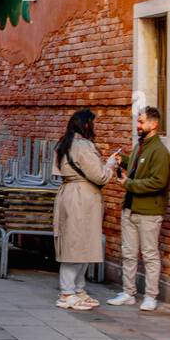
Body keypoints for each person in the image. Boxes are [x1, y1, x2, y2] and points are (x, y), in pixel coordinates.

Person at [107, 106, 170, 312]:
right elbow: (138, 167)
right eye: (138, 121)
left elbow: (158, 182)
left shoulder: (160, 151)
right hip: (130, 209)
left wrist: (128, 184)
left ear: (154, 124)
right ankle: (128, 293)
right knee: (128, 254)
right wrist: (124, 160)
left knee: (150, 255)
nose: (138, 125)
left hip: (149, 213)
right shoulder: (140, 146)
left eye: (141, 122)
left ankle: (151, 296)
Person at [52, 109, 117, 311]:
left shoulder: (63, 143)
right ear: (86, 124)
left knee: (80, 243)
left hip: (69, 194)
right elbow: (100, 176)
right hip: (81, 198)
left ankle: (77, 289)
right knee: (75, 245)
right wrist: (110, 164)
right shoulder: (83, 146)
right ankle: (67, 293)